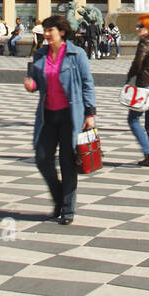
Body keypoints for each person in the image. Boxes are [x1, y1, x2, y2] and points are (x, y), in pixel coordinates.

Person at [24, 14, 97, 225]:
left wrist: (90, 114)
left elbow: (87, 84)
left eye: (50, 31)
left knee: (67, 163)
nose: (46, 35)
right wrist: (32, 85)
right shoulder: (41, 54)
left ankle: (67, 209)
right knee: (42, 158)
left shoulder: (77, 54)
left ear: (61, 32)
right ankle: (58, 197)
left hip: (71, 117)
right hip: (48, 116)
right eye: (44, 31)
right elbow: (38, 82)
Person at [126, 15, 149, 168]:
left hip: (145, 88)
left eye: (140, 26)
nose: (137, 28)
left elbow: (138, 63)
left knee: (133, 120)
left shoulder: (145, 42)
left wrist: (129, 77)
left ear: (148, 28)